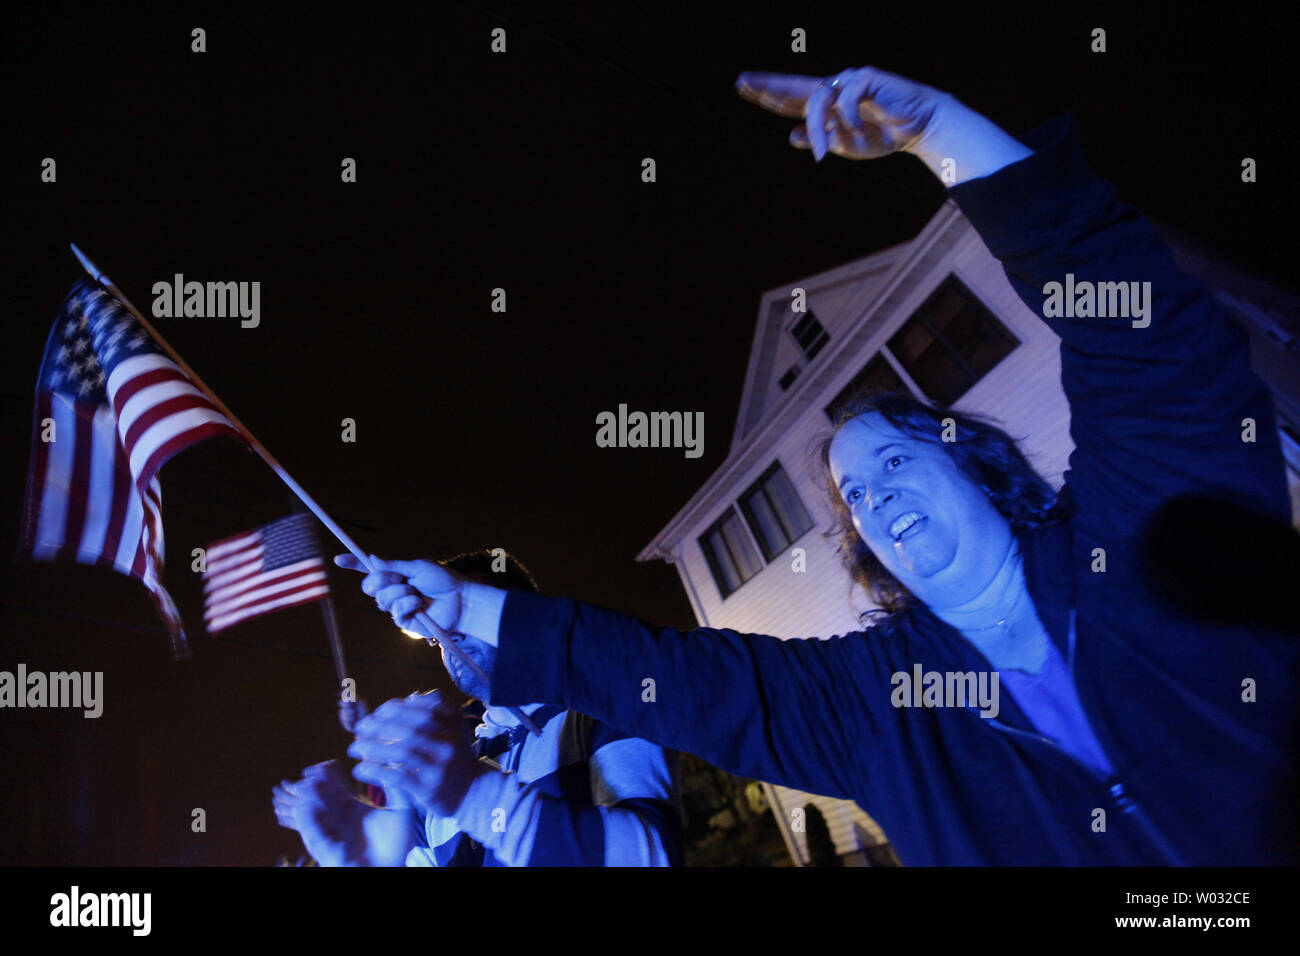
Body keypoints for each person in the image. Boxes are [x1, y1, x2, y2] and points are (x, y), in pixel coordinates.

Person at [337, 66, 1300, 865]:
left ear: (977, 462)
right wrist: (465, 608)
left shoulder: (1135, 538)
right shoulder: (876, 701)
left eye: (888, 458)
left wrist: (946, 133)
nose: (871, 494)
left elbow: (1144, 336)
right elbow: (675, 676)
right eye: (852, 495)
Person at [274, 550, 682, 866]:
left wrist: (475, 794)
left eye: (459, 611)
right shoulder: (449, 763)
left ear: (515, 614)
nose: (446, 634)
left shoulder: (601, 706)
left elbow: (653, 854)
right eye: (434, 632)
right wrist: (358, 857)